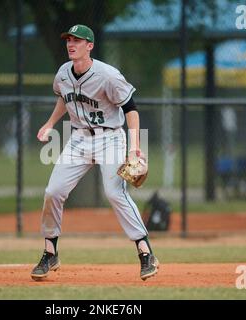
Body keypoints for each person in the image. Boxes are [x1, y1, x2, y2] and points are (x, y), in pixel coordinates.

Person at [30, 25, 159, 281]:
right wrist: (49, 123)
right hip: (79, 138)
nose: (71, 43)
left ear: (89, 46)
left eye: (77, 40)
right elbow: (63, 100)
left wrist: (134, 146)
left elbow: (131, 109)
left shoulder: (108, 75)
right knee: (53, 192)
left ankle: (146, 253)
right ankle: (50, 252)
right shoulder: (63, 74)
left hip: (110, 137)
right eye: (69, 39)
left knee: (114, 192)